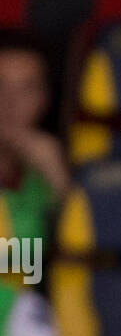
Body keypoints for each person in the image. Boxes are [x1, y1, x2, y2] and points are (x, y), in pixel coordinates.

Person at [0, 28, 70, 270]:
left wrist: (58, 179)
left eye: (27, 89)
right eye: (0, 85)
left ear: (45, 99)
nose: (9, 101)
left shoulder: (54, 169)